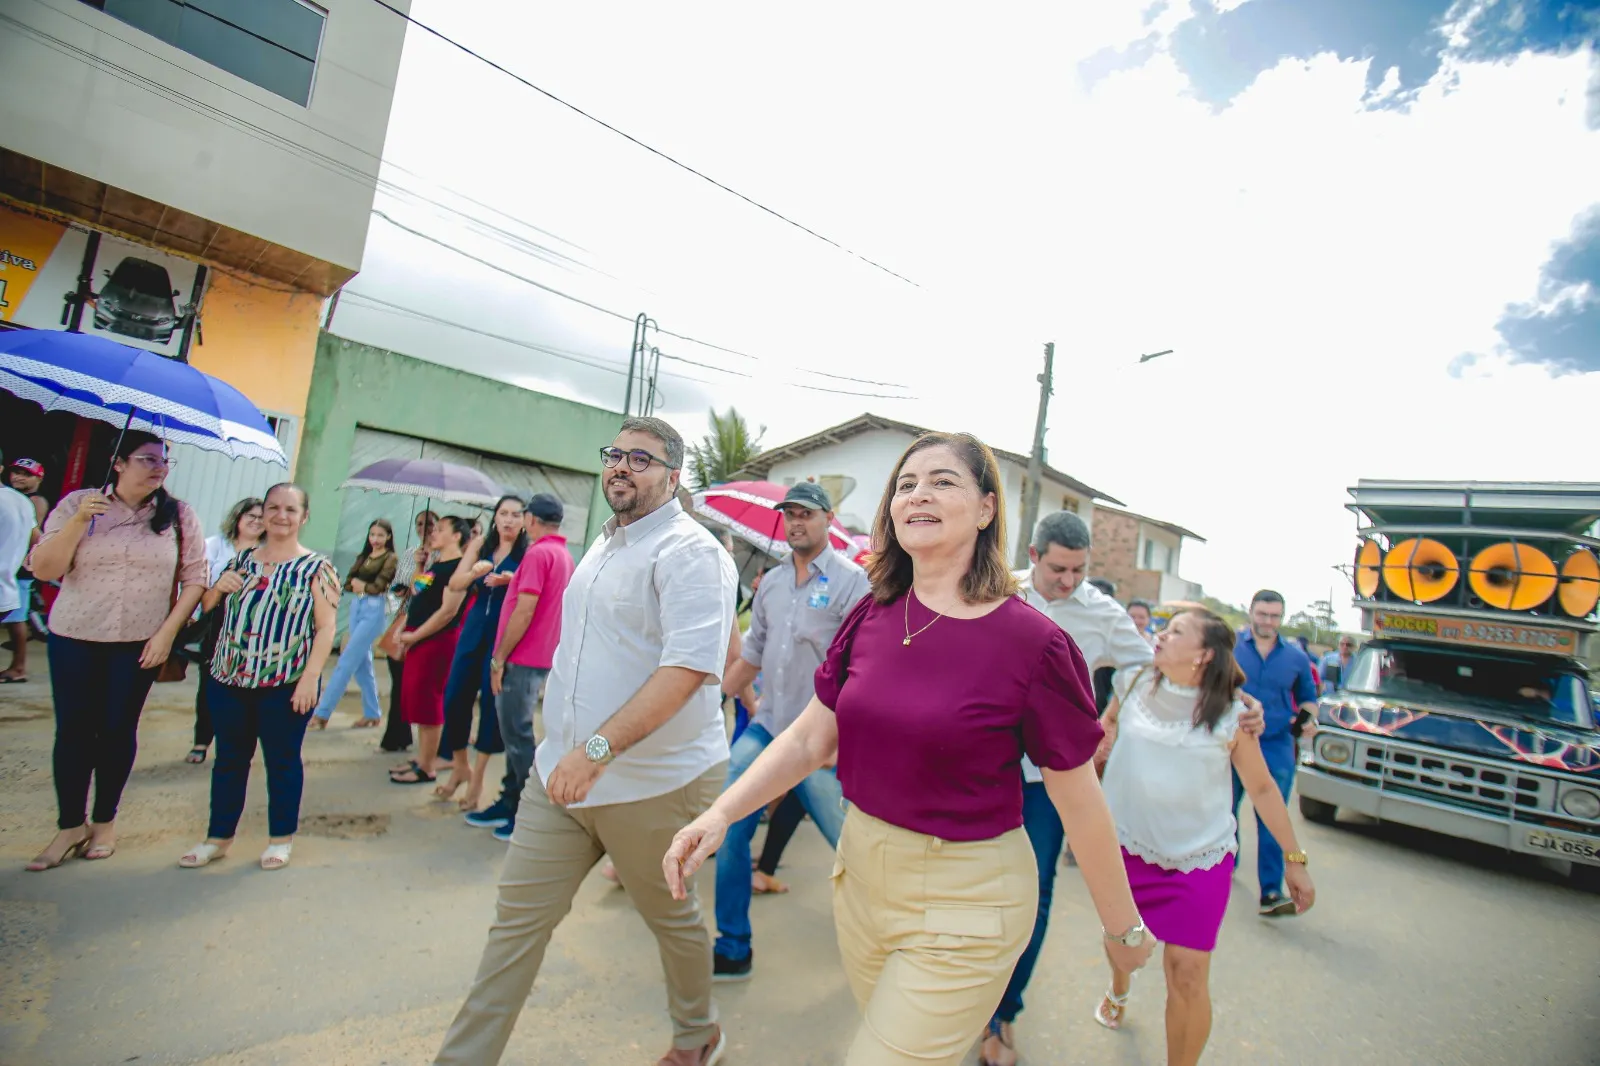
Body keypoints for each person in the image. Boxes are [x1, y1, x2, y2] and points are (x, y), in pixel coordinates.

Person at [666, 431, 1154, 1066]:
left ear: (985, 509)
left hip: (969, 900)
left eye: (942, 481)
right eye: (905, 484)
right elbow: (813, 737)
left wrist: (1122, 928)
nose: (918, 493)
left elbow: (1079, 800)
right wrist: (721, 813)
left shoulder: (1033, 642)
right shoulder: (872, 614)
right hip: (862, 883)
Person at [434, 417, 737, 1066]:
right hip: (561, 778)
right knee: (514, 928)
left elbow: (686, 671)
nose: (623, 467)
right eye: (616, 455)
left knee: (672, 921)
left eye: (643, 459)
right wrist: (569, 753)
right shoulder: (601, 543)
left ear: (673, 477)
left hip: (656, 786)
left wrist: (595, 750)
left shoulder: (692, 553)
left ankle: (696, 1035)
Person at [1094, 608, 1316, 1063]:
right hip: (1126, 852)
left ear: (1203, 655)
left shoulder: (1234, 715)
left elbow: (1261, 787)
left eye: (1175, 632)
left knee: (1188, 974)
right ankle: (1119, 989)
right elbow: (1108, 723)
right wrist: (1104, 745)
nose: (1160, 636)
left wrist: (1295, 858)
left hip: (1199, 860)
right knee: (1123, 950)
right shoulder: (1132, 682)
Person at [979, 509, 1156, 1066]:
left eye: (1079, 571)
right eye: (1059, 569)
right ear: (1033, 557)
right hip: (981, 768)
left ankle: (1002, 1015)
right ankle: (956, 1002)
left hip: (1048, 783)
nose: (1069, 581)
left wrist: (1112, 713)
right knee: (971, 890)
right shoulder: (995, 592)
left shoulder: (1101, 614)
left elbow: (1147, 667)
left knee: (1033, 900)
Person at [710, 481, 870, 982]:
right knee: (728, 822)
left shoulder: (852, 585)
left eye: (807, 513)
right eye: (790, 514)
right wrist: (710, 701)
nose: (796, 522)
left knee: (854, 848)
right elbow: (753, 651)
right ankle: (733, 945)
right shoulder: (772, 584)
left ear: (828, 519)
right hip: (768, 730)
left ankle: (890, 943)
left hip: (821, 746)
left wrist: (840, 739)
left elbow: (866, 670)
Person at [25, 432, 207, 870]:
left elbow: (195, 578)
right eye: (147, 459)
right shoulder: (78, 504)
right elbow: (45, 568)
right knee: (72, 732)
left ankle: (104, 821)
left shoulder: (178, 514)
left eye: (164, 461)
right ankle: (70, 824)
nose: (158, 468)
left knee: (117, 730)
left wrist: (167, 633)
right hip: (74, 635)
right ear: (119, 463)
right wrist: (75, 524)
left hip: (138, 643)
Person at [178, 484, 339, 871]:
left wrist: (310, 678)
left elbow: (326, 628)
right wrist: (218, 588)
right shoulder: (243, 559)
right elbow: (205, 609)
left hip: (284, 683)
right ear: (261, 514)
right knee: (229, 761)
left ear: (304, 517)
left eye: (290, 509)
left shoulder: (318, 568)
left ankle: (280, 839)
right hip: (229, 677)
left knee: (282, 762)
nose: (280, 516)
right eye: (273, 508)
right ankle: (218, 837)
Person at [465, 493, 574, 842]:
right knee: (518, 735)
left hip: (523, 659)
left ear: (530, 519)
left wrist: (499, 657)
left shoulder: (539, 553)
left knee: (518, 739)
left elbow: (524, 611)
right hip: (538, 658)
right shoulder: (562, 554)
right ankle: (509, 800)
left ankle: (525, 813)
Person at [437, 496, 527, 809]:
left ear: (524, 520)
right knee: (454, 697)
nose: (509, 520)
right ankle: (461, 765)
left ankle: (477, 779)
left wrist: (511, 580)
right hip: (473, 629)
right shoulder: (480, 545)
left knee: (491, 707)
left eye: (516, 515)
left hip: (503, 635)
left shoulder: (528, 552)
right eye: (503, 514)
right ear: (495, 517)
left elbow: (535, 590)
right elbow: (455, 582)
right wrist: (476, 572)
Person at [1234, 589, 1319, 917]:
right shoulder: (1230, 649)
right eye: (1262, 614)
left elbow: (1309, 699)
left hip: (1277, 745)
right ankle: (1224, 863)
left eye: (1274, 616)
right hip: (1232, 743)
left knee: (1272, 816)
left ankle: (1271, 890)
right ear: (1251, 612)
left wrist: (1309, 720)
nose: (1268, 621)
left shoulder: (1297, 658)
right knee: (1224, 810)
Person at [390, 516, 471, 784]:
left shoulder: (459, 568)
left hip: (437, 641)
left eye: (439, 529)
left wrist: (416, 636)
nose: (432, 533)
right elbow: (417, 590)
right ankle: (422, 759)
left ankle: (427, 767)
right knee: (418, 701)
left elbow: (448, 613)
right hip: (419, 638)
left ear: (457, 536)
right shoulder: (437, 563)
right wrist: (419, 564)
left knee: (429, 702)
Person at [185, 497, 264, 763]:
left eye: (261, 517)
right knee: (209, 685)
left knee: (246, 690)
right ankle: (201, 741)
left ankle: (237, 747)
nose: (256, 521)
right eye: (250, 516)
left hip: (252, 629)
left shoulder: (269, 551)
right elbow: (197, 584)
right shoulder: (216, 545)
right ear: (238, 518)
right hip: (217, 623)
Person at [311, 519, 397, 731]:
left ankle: (322, 713)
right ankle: (372, 713)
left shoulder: (390, 558)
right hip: (357, 606)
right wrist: (361, 587)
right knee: (362, 664)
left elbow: (379, 586)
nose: (375, 539)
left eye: (380, 535)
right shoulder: (364, 556)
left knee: (347, 660)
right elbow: (348, 581)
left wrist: (363, 586)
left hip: (374, 609)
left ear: (388, 537)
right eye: (372, 535)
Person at [381, 510, 439, 754]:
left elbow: (421, 587)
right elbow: (397, 587)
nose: (424, 528)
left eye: (429, 524)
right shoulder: (408, 554)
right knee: (398, 678)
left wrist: (420, 568)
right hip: (403, 616)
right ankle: (397, 734)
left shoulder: (439, 556)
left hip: (424, 624)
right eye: (419, 523)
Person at [2, 457, 49, 683]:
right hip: (14, 568)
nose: (19, 477)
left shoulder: (35, 501)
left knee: (16, 618)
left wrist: (31, 560)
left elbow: (35, 535)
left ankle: (19, 666)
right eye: (17, 472)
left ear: (39, 478)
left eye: (26, 474)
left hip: (18, 568)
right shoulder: (19, 499)